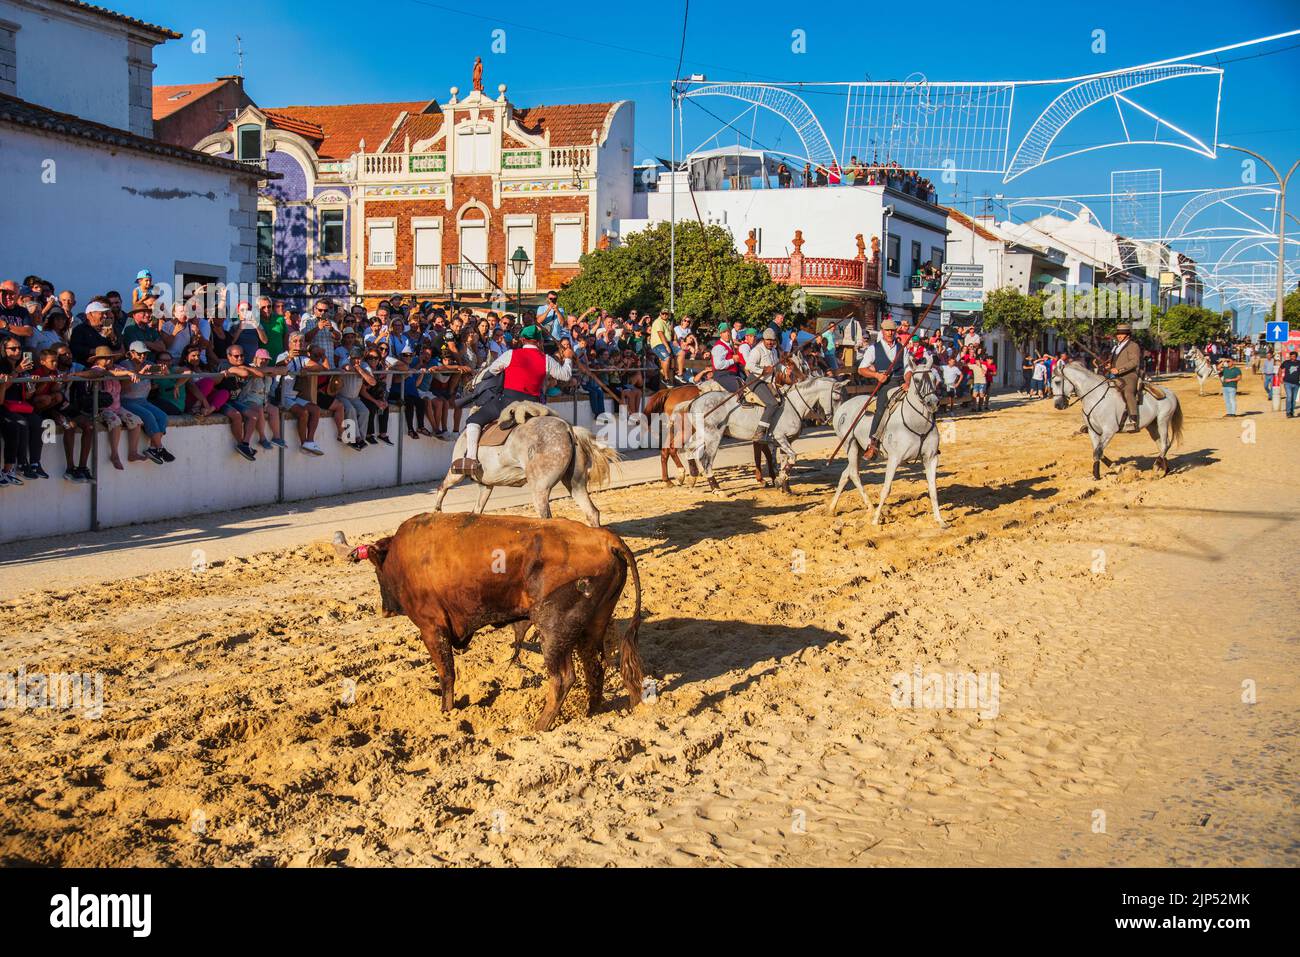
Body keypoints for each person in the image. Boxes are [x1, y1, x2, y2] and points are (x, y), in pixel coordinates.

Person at [452, 324, 573, 476]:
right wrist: (568, 359)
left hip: (508, 402)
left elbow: (492, 370)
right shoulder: (546, 359)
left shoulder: (510, 354)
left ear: (522, 340)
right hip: (534, 404)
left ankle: (470, 459)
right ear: (539, 341)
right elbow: (566, 376)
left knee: (473, 420)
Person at [859, 319, 915, 461]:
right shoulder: (873, 349)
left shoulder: (903, 348)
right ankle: (873, 444)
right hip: (885, 385)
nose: (890, 333)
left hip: (901, 383)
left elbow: (908, 368)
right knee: (880, 410)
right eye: (887, 330)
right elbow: (862, 369)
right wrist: (876, 375)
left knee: (921, 402)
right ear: (882, 331)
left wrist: (908, 381)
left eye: (892, 330)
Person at [743, 326, 782, 439]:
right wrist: (763, 370)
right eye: (768, 340)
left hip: (768, 382)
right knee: (772, 404)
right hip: (755, 380)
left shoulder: (774, 351)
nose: (770, 342)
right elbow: (749, 366)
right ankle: (760, 432)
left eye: (772, 340)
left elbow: (777, 365)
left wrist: (786, 370)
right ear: (764, 339)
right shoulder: (757, 350)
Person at [1107, 322, 1142, 432]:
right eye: (1118, 333)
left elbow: (1134, 362)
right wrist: (1110, 365)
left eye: (1122, 333)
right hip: (1114, 375)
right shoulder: (1116, 347)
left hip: (1129, 375)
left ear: (1128, 335)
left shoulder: (1133, 346)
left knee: (1128, 392)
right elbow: (1114, 361)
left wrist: (1119, 369)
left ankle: (1133, 419)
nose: (1119, 335)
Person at [1280, 348, 1300, 418]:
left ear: (1296, 356)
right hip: (1287, 382)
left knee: (1293, 399)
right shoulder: (1286, 362)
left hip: (1296, 384)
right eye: (1291, 356)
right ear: (1290, 356)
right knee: (1289, 397)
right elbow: (1281, 368)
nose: (1293, 357)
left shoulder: (1299, 363)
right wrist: (1281, 377)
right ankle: (1288, 412)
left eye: (1294, 356)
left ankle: (1292, 412)